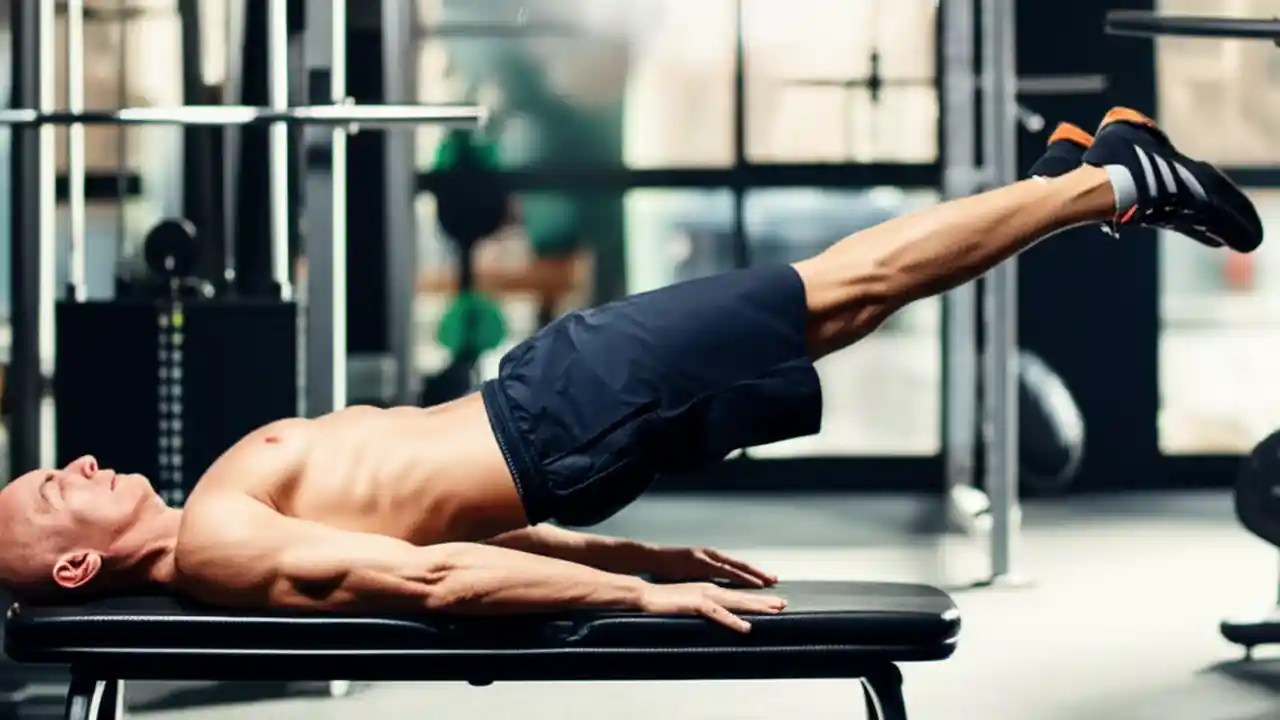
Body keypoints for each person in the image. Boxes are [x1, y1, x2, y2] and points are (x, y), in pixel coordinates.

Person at [0, 108, 1262, 633]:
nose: (80, 461)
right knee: (843, 288)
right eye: (56, 487)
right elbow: (434, 572)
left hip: (560, 436)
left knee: (837, 311)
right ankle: (1110, 182)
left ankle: (1074, 178)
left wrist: (634, 558)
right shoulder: (217, 541)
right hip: (561, 411)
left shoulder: (219, 515)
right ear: (73, 563)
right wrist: (633, 597)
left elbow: (438, 524)